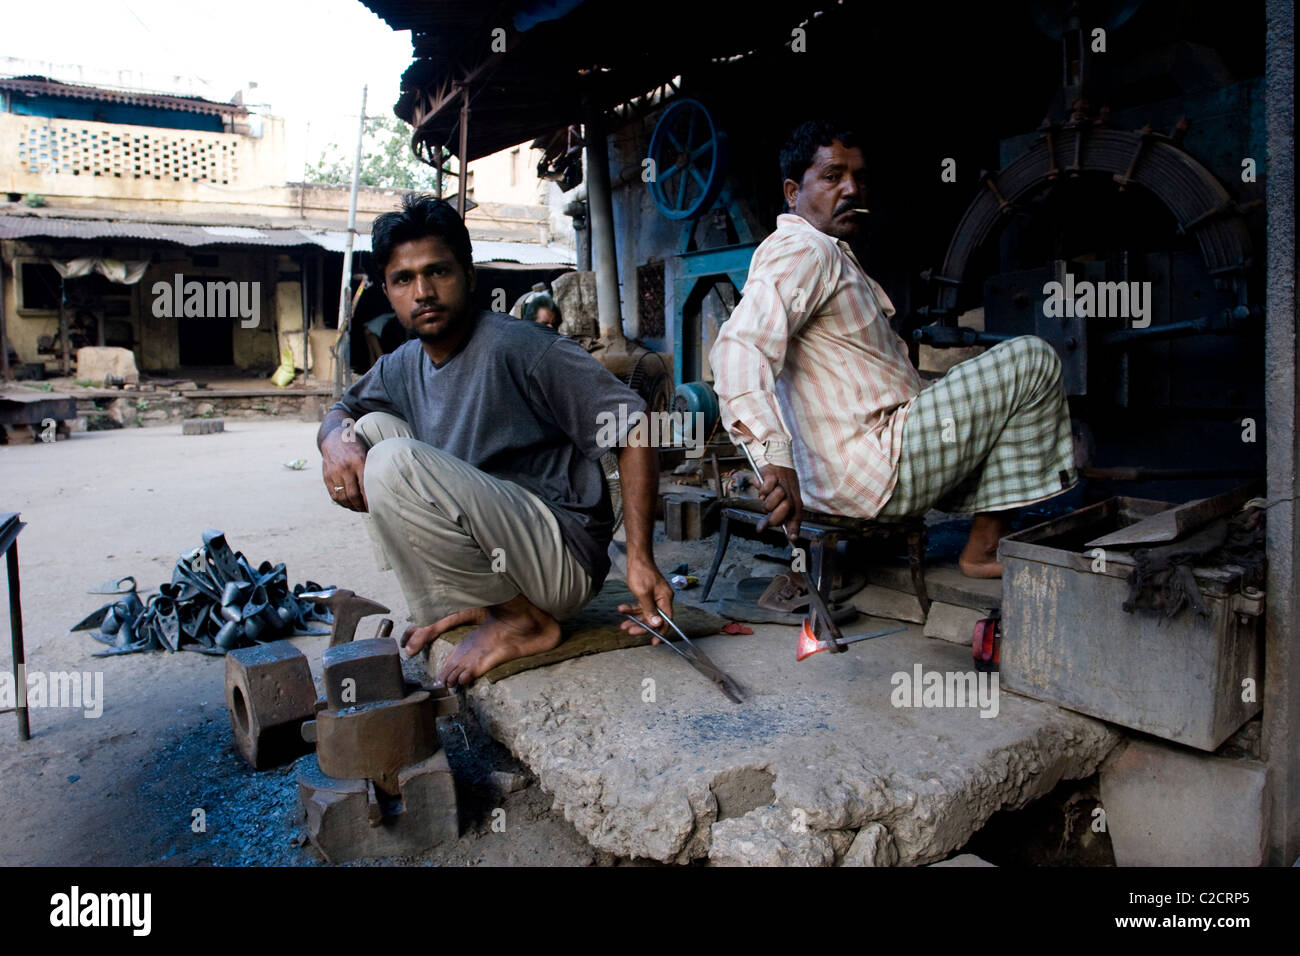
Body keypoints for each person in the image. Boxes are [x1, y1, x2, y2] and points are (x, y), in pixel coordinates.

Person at [318, 195, 673, 686]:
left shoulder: (520, 346)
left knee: (390, 463)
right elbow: (343, 409)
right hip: (502, 545)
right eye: (404, 279)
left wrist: (639, 558)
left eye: (437, 272)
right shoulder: (403, 363)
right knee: (366, 433)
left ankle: (522, 620)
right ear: (388, 291)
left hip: (557, 556)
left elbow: (636, 427)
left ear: (468, 274)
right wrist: (334, 439)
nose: (423, 291)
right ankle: (466, 600)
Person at [709, 120, 1078, 578]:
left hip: (856, 472)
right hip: (873, 470)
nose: (850, 189)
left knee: (984, 382)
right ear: (791, 192)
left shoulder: (831, 253)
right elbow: (739, 347)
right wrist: (773, 454)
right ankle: (984, 549)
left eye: (858, 178)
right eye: (831, 176)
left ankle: (981, 542)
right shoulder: (806, 249)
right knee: (1032, 360)